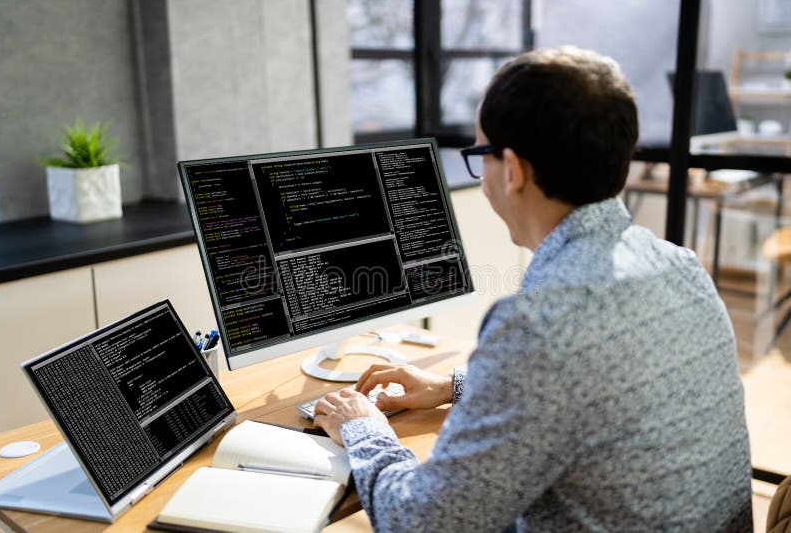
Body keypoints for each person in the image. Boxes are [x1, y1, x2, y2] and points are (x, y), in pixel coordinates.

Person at [313, 46, 752, 532]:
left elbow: (422, 522)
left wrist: (361, 426)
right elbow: (598, 390)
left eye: (479, 156)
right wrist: (451, 387)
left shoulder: (539, 323)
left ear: (513, 170)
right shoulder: (682, 268)